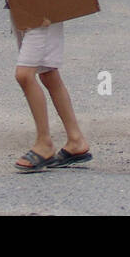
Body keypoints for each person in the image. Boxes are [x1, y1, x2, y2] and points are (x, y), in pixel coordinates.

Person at [12, 10, 91, 172]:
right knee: (47, 73)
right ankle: (75, 140)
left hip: (42, 4)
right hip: (19, 2)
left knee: (24, 75)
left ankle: (44, 143)